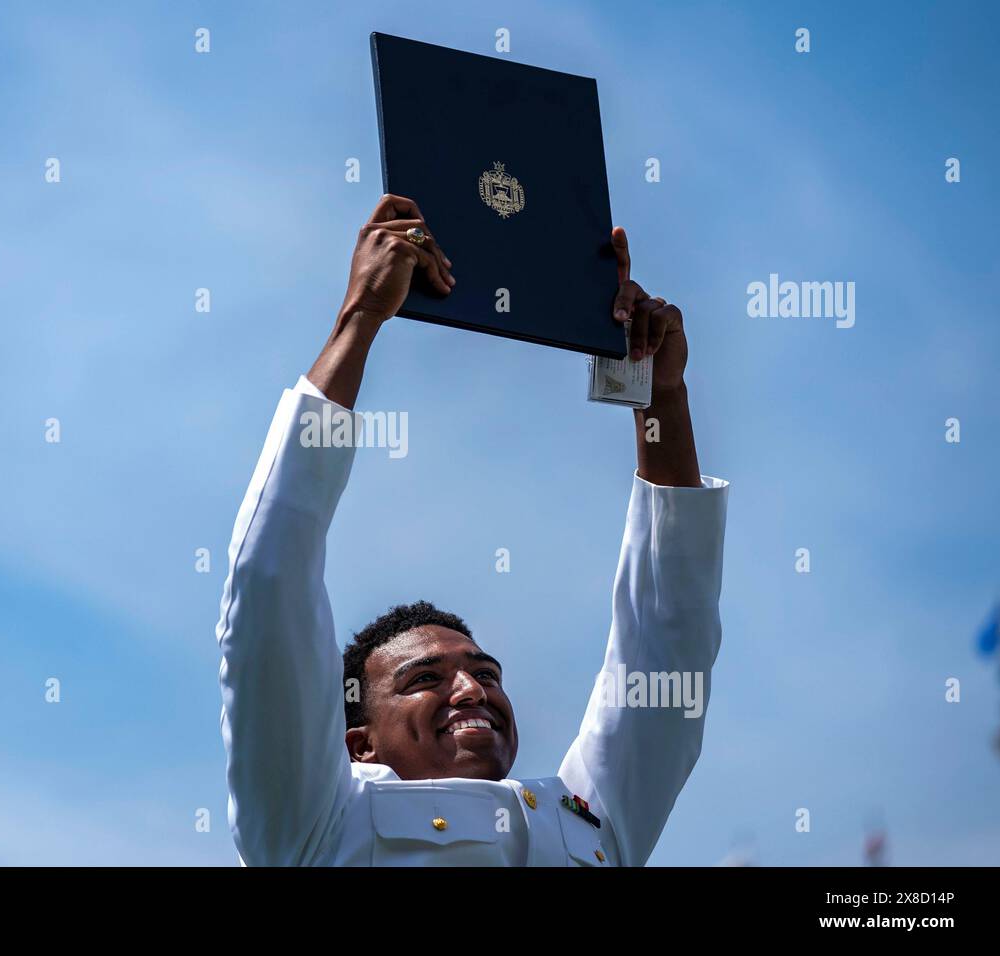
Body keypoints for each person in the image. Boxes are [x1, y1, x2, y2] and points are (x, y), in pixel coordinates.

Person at [215, 194, 730, 866]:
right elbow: (269, 580)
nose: (472, 690)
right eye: (424, 678)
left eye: (484, 672)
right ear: (358, 744)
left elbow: (669, 642)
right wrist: (360, 319)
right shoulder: (316, 822)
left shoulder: (590, 823)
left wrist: (659, 394)